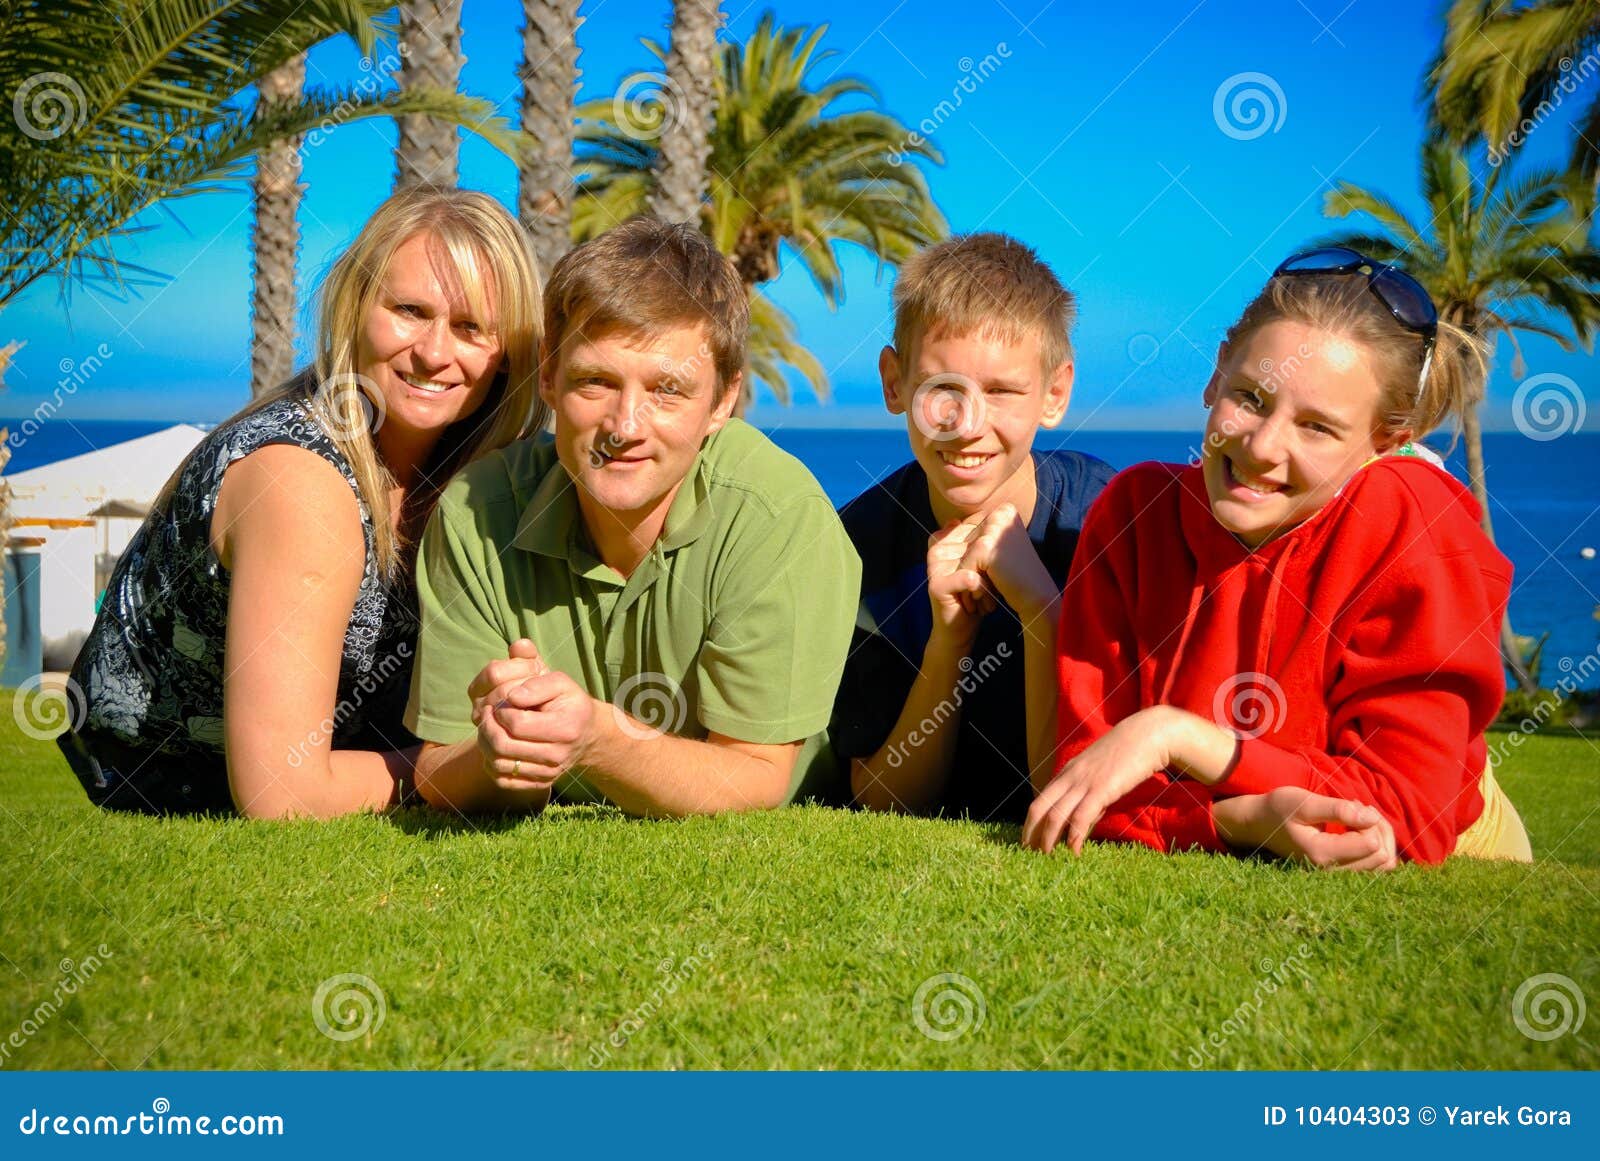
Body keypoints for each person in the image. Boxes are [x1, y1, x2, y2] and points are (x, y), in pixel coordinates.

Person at [1025, 247, 1532, 868]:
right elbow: (1087, 789)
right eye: (1250, 397)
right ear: (1216, 374)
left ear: (1388, 440)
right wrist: (1238, 820)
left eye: (1317, 427)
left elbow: (1401, 819)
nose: (1263, 448)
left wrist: (1177, 736)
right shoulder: (1134, 513)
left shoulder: (1411, 523)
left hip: (1470, 852)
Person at [60, 188, 545, 818]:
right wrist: (465, 768)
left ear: (508, 351)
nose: (433, 353)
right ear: (355, 306)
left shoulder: (475, 474)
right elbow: (280, 792)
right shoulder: (300, 478)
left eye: (471, 327)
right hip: (181, 799)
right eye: (408, 310)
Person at [405, 216, 860, 817]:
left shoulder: (778, 518)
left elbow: (757, 777)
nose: (624, 426)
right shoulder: (477, 510)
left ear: (723, 401)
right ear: (548, 374)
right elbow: (437, 770)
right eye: (595, 381)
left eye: (667, 390)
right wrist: (499, 753)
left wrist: (596, 739)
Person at [823, 233, 1114, 822]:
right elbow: (882, 797)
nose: (966, 425)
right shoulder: (857, 545)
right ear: (893, 382)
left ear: (1054, 394)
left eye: (1003, 391)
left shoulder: (1112, 524)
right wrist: (949, 643)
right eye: (940, 389)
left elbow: (1087, 792)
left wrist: (1042, 610)